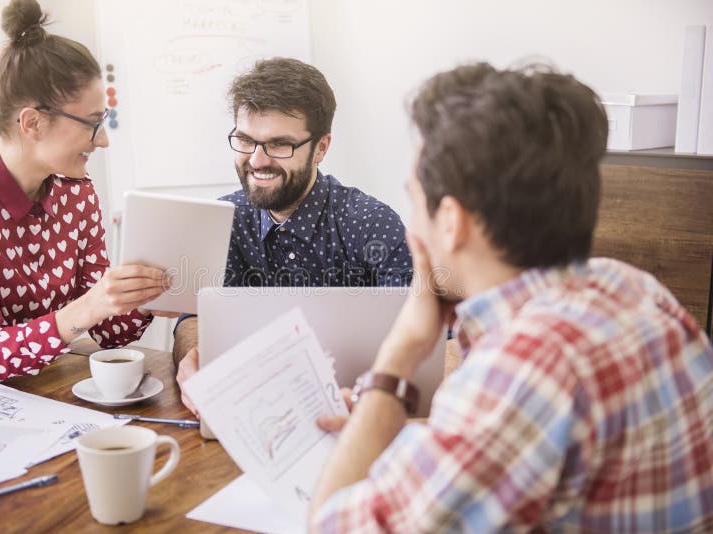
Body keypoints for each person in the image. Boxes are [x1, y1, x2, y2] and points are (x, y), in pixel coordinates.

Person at [309, 63, 713, 532]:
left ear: (451, 222)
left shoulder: (526, 368)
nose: (408, 226)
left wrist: (396, 361)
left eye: (414, 200)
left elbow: (331, 527)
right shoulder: (633, 287)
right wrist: (399, 434)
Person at [0, 0, 173, 392]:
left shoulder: (77, 195)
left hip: (38, 392)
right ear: (32, 122)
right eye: (92, 123)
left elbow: (108, 331)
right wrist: (90, 305)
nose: (102, 140)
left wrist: (144, 295)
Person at [173, 58, 413, 413]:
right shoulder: (223, 219)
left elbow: (439, 342)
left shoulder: (372, 224)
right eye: (245, 140)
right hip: (249, 412)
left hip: (356, 418)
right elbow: (191, 317)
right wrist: (195, 359)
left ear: (321, 148)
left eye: (279, 145)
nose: (256, 160)